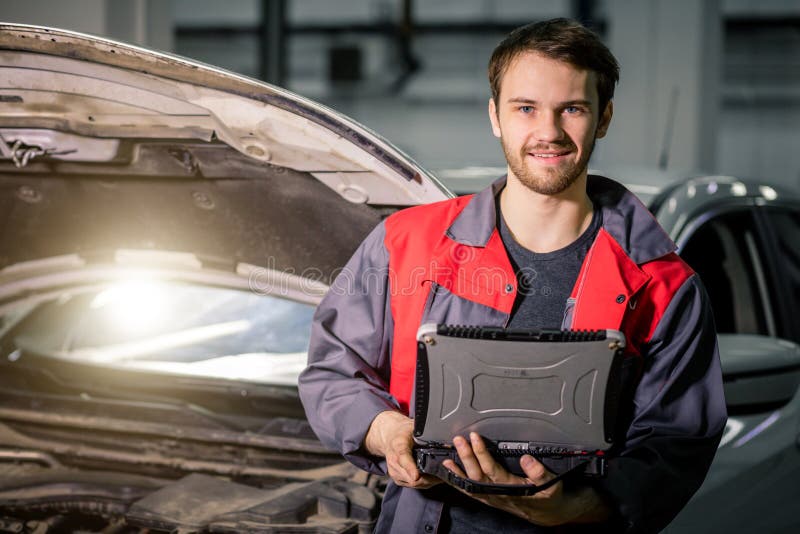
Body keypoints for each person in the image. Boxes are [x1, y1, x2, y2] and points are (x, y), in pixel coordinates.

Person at [299, 18, 726, 533]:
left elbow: (675, 444)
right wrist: (385, 430)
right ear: (495, 117)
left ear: (604, 117)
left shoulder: (662, 285)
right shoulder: (404, 243)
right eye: (526, 108)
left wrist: (575, 509)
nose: (548, 132)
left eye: (571, 108)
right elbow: (332, 373)